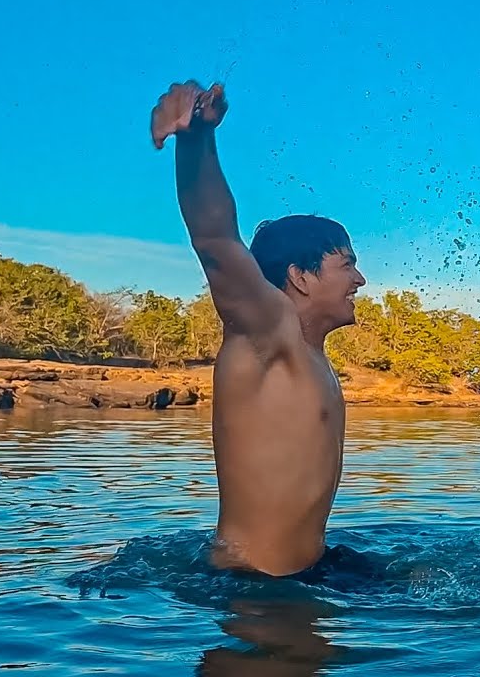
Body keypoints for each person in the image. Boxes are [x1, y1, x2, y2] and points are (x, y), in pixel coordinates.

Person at [151, 81, 367, 576]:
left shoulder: (314, 357)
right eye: (347, 265)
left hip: (310, 572)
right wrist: (196, 139)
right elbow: (214, 238)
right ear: (299, 276)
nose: (360, 279)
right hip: (254, 588)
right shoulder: (269, 334)